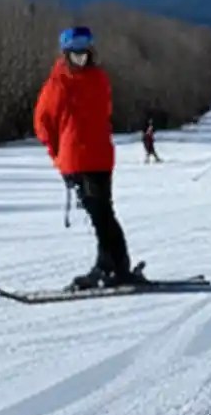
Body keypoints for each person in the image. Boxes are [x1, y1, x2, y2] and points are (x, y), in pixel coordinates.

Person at [34, 26, 144, 289]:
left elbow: (103, 114)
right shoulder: (58, 85)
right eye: (75, 54)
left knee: (102, 215)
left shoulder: (99, 79)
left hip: (101, 158)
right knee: (101, 215)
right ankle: (112, 266)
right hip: (76, 160)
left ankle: (112, 267)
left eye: (84, 53)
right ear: (66, 54)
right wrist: (58, 156)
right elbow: (43, 123)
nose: (81, 58)